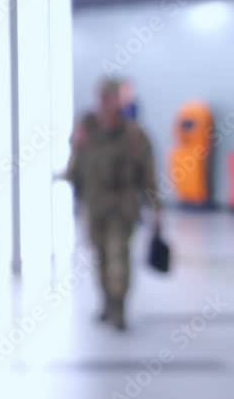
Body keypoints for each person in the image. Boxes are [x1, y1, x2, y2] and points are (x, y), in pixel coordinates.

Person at [65, 77, 163, 331]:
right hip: (95, 205)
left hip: (123, 206)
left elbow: (149, 175)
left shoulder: (133, 135)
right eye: (104, 99)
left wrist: (156, 209)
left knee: (118, 254)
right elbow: (76, 167)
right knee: (100, 256)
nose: (107, 105)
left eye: (112, 99)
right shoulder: (87, 132)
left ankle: (119, 307)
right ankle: (107, 302)